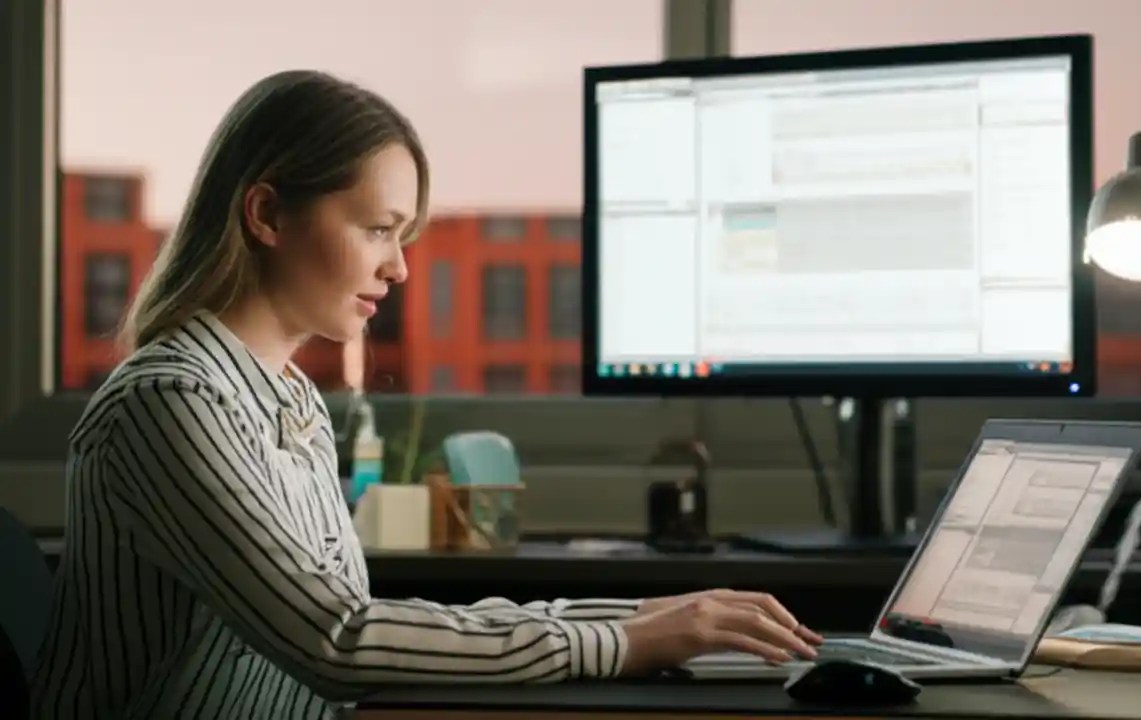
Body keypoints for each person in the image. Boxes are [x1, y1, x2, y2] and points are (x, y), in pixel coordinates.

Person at [27, 70, 821, 719]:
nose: (400, 269)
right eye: (378, 229)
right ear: (267, 213)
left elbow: (369, 628)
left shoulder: (285, 400)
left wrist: (639, 619)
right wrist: (622, 643)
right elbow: (338, 638)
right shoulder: (171, 402)